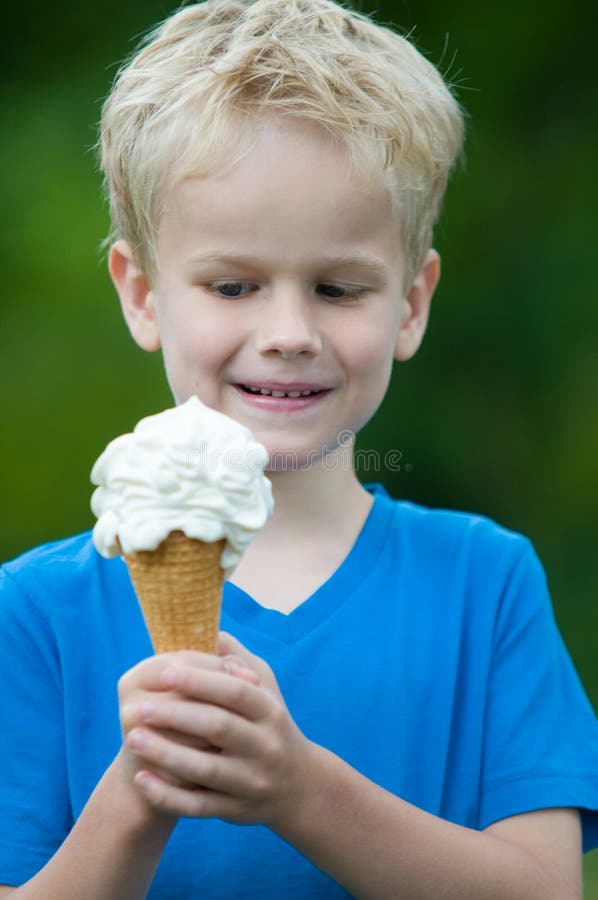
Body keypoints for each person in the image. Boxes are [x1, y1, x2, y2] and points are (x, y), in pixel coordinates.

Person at [0, 0, 596, 897]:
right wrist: (144, 789)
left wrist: (300, 789)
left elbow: (544, 889)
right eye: (234, 284)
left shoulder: (485, 582)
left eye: (337, 287)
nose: (288, 332)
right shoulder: (34, 614)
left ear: (411, 303)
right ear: (143, 294)